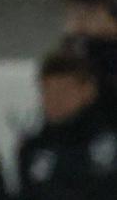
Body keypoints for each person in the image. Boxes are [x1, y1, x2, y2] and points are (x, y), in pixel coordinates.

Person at [18, 52, 117, 200]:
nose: (55, 100)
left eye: (64, 91)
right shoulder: (33, 149)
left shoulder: (110, 139)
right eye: (48, 91)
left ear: (88, 91)